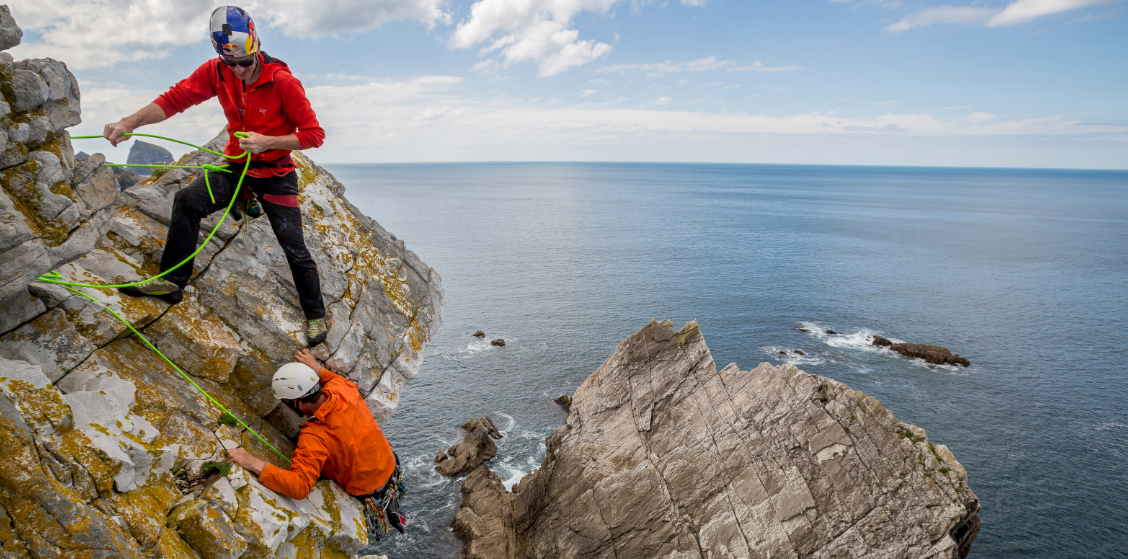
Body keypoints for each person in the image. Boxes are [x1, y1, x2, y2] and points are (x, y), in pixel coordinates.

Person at [104, 6, 329, 346]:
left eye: (245, 62)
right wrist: (129, 122)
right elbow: (175, 99)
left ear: (256, 47)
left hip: (274, 174)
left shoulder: (283, 83)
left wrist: (268, 142)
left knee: (294, 247)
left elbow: (314, 135)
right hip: (236, 167)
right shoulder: (216, 71)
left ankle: (315, 316)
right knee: (187, 200)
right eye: (231, 63)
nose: (239, 71)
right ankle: (171, 282)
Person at [225, 349, 407, 537]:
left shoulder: (315, 434)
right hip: (388, 461)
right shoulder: (343, 389)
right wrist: (316, 368)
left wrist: (252, 462)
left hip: (366, 488)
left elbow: (299, 487)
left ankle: (386, 503)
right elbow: (331, 377)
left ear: (298, 404)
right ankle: (392, 503)